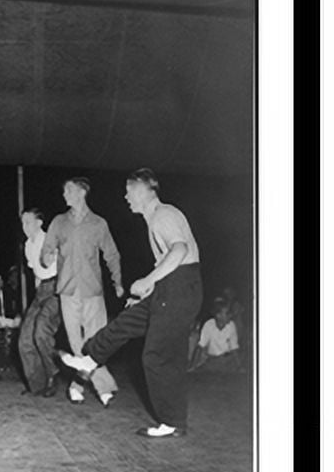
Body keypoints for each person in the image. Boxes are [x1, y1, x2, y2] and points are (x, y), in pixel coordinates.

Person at [60, 168, 202, 439]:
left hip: (179, 289)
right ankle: (90, 360)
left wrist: (149, 280)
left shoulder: (163, 215)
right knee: (125, 322)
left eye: (129, 190)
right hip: (172, 288)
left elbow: (180, 250)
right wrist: (148, 292)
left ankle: (171, 422)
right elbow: (174, 261)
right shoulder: (158, 217)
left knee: (157, 357)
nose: (125, 196)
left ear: (143, 190)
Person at [41, 177, 123, 405]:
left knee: (96, 343)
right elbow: (46, 249)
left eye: (69, 190)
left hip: (92, 290)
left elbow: (112, 254)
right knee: (78, 346)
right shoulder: (58, 222)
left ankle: (78, 383)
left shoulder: (99, 224)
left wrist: (118, 282)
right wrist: (46, 257)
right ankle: (104, 387)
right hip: (67, 290)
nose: (64, 194)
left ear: (82, 193)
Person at [17, 208, 61, 396]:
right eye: (22, 223)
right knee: (25, 339)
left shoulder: (49, 239)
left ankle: (53, 375)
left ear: (39, 222)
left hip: (56, 288)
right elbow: (35, 272)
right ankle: (37, 384)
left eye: (28, 222)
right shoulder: (28, 245)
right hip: (41, 290)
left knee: (41, 331)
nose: (24, 226)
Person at [189, 298, 241, 373]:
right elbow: (200, 347)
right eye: (226, 313)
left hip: (228, 361)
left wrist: (239, 367)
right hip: (212, 361)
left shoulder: (231, 325)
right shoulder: (209, 325)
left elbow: (234, 348)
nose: (230, 315)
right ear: (218, 315)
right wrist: (192, 368)